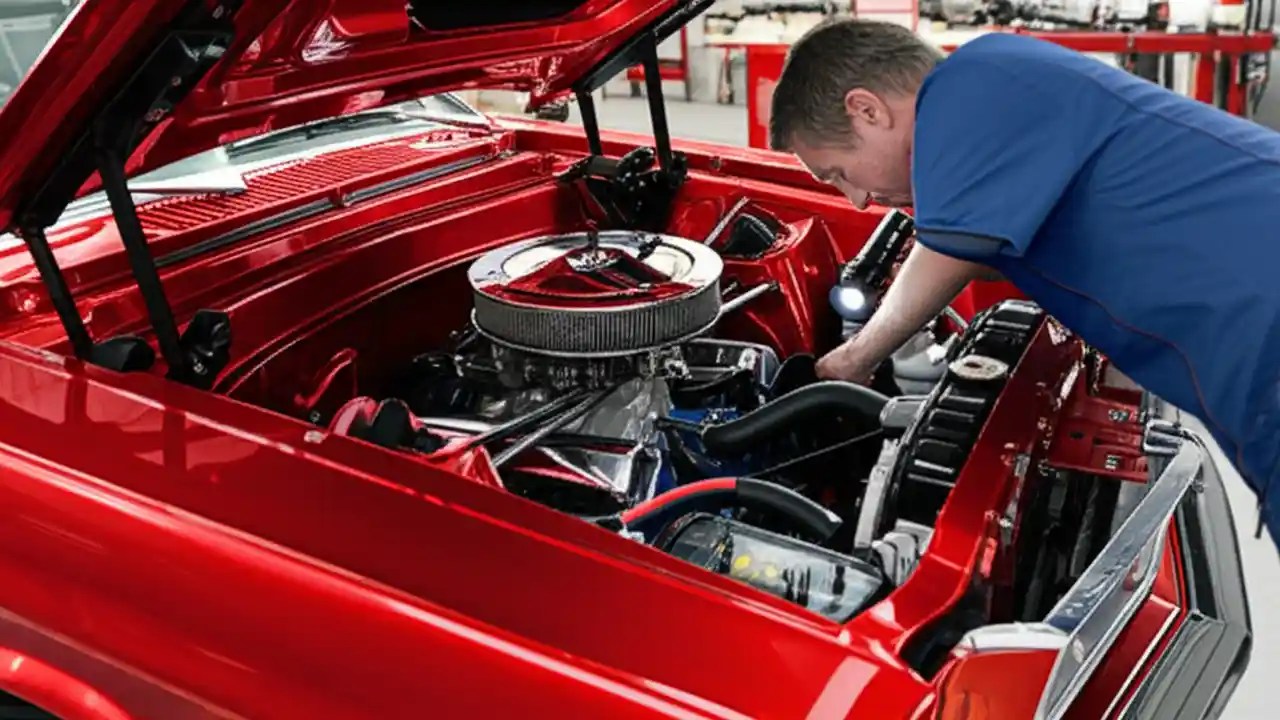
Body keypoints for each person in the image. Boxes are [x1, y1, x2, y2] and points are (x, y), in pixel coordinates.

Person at [768, 18, 1280, 546]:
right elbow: (1003, 248)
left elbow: (947, 250)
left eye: (838, 173)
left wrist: (853, 360)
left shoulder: (969, 86)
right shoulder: (995, 90)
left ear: (867, 110)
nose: (854, 200)